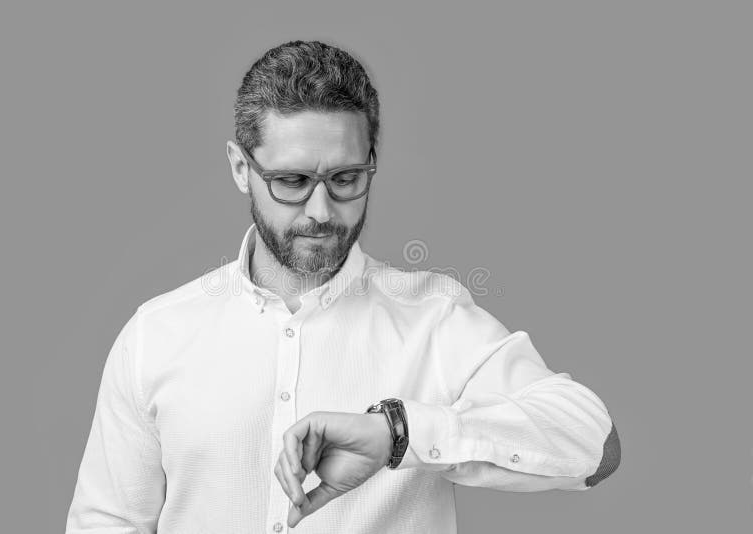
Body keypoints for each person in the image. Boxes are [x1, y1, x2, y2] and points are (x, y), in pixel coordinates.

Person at [65, 40, 620, 534]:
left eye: (345, 179)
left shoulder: (435, 319)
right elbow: (107, 521)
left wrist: (398, 434)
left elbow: (595, 447)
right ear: (241, 168)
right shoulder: (155, 336)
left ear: (371, 163)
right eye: (291, 182)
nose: (321, 210)